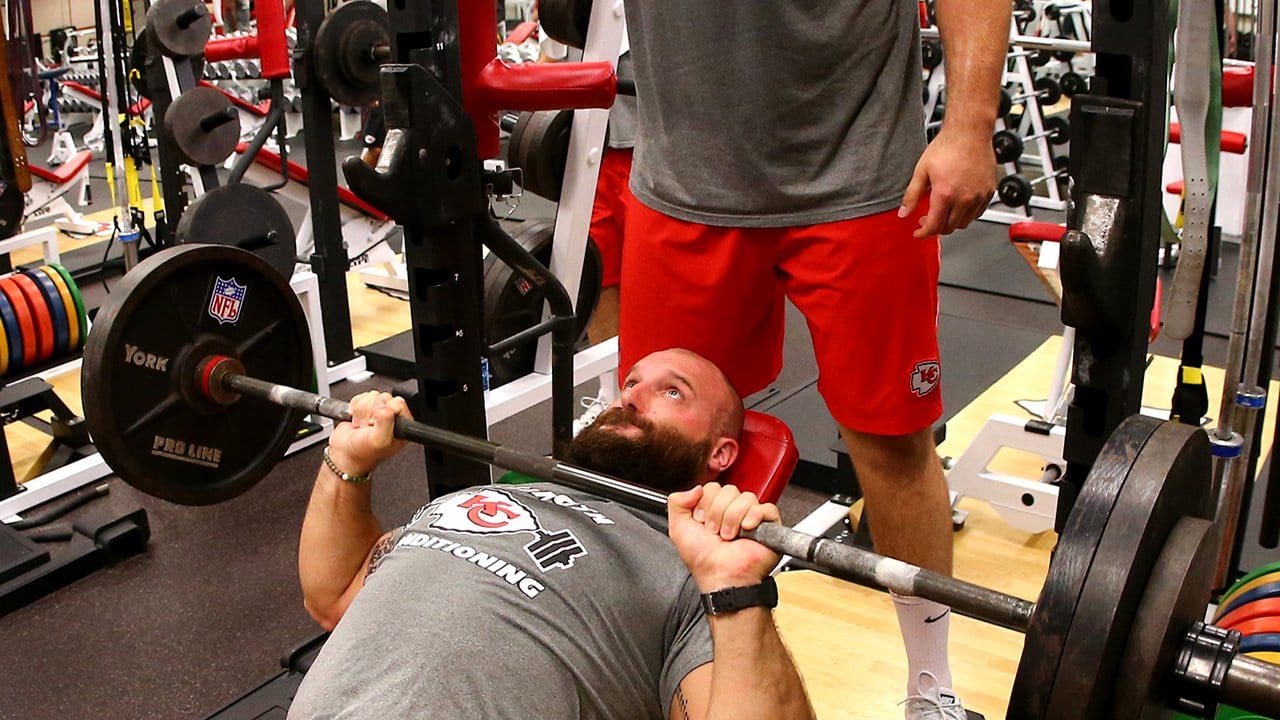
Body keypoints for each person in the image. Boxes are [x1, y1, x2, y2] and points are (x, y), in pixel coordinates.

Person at [618, 3, 1010, 718]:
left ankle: (932, 689)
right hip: (684, 179)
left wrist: (970, 124)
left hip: (862, 175)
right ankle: (656, 676)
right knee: (659, 448)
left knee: (893, 444)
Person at [288, 348, 816, 720]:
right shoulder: (501, 495)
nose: (629, 397)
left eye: (671, 392)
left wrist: (735, 588)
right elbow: (336, 593)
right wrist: (346, 463)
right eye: (630, 382)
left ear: (720, 454)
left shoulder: (688, 571)